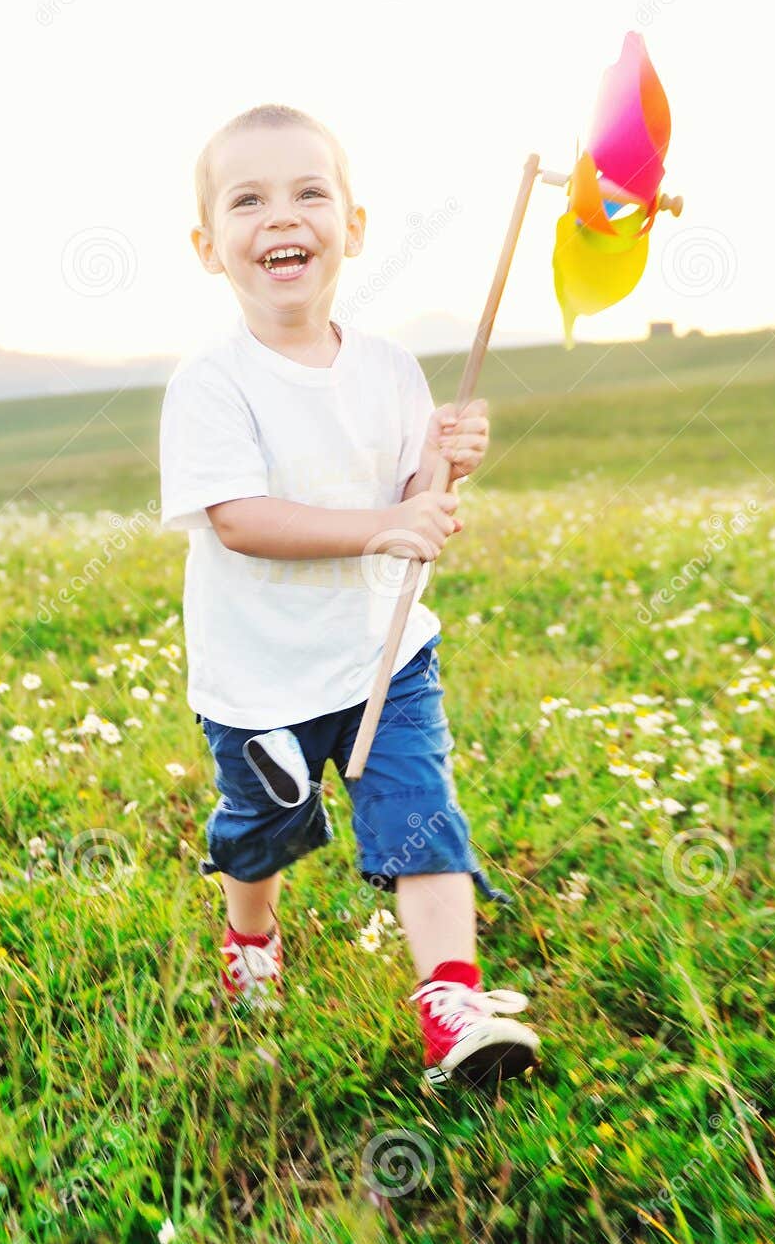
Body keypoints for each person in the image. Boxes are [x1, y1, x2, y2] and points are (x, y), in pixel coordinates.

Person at [158, 103, 539, 1088]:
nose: (280, 216)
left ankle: (450, 1005)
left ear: (354, 227)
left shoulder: (390, 369)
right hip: (258, 680)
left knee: (423, 820)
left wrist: (439, 472)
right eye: (248, 199)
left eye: (308, 192)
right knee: (259, 835)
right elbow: (238, 517)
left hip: (384, 654)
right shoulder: (211, 385)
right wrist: (382, 524)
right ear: (210, 246)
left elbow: (414, 512)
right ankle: (251, 939)